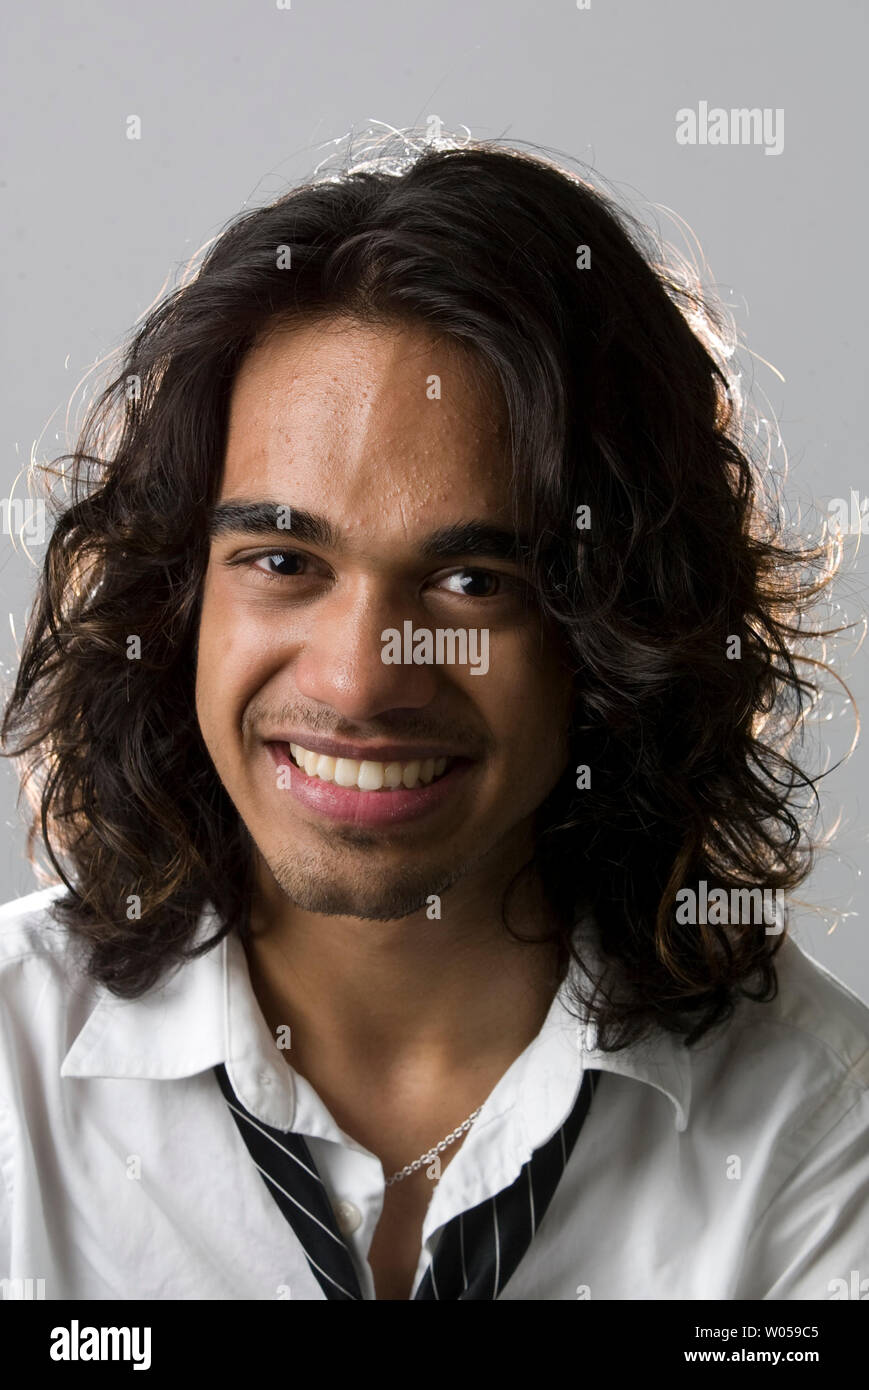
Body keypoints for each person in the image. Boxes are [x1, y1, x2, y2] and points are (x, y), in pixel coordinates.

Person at [1, 135, 866, 1302]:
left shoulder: (813, 1132)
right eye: (281, 558)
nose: (360, 680)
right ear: (182, 591)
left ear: (613, 632)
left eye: (473, 583)